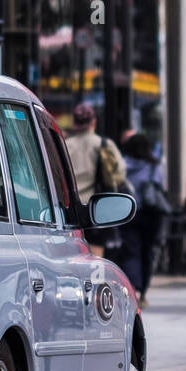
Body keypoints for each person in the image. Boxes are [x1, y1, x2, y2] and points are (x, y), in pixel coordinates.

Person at [64, 102, 127, 257]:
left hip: (67, 208)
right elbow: (119, 174)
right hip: (95, 208)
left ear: (75, 123)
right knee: (96, 254)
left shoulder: (64, 144)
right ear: (93, 122)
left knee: (71, 252)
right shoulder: (103, 144)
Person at [115, 131, 168, 309]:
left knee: (131, 251)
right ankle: (143, 291)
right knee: (147, 253)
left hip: (128, 213)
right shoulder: (154, 165)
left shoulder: (122, 164)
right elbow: (159, 186)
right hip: (150, 213)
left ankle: (134, 288)